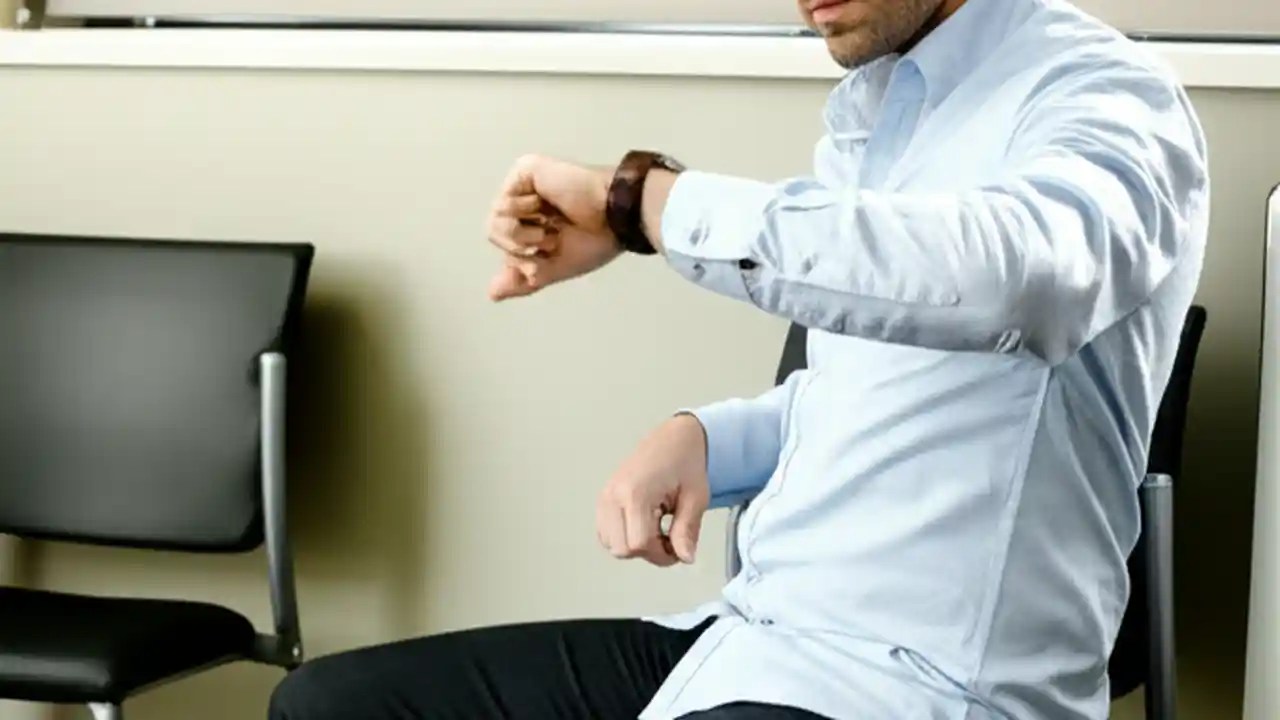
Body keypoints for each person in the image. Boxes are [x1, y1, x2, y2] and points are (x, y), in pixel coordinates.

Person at [269, 0, 1209, 717]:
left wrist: (645, 205)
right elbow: (889, 390)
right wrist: (710, 437)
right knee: (325, 706)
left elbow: (1016, 285)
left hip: (917, 683)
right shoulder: (877, 110)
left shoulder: (1108, 94)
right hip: (758, 632)